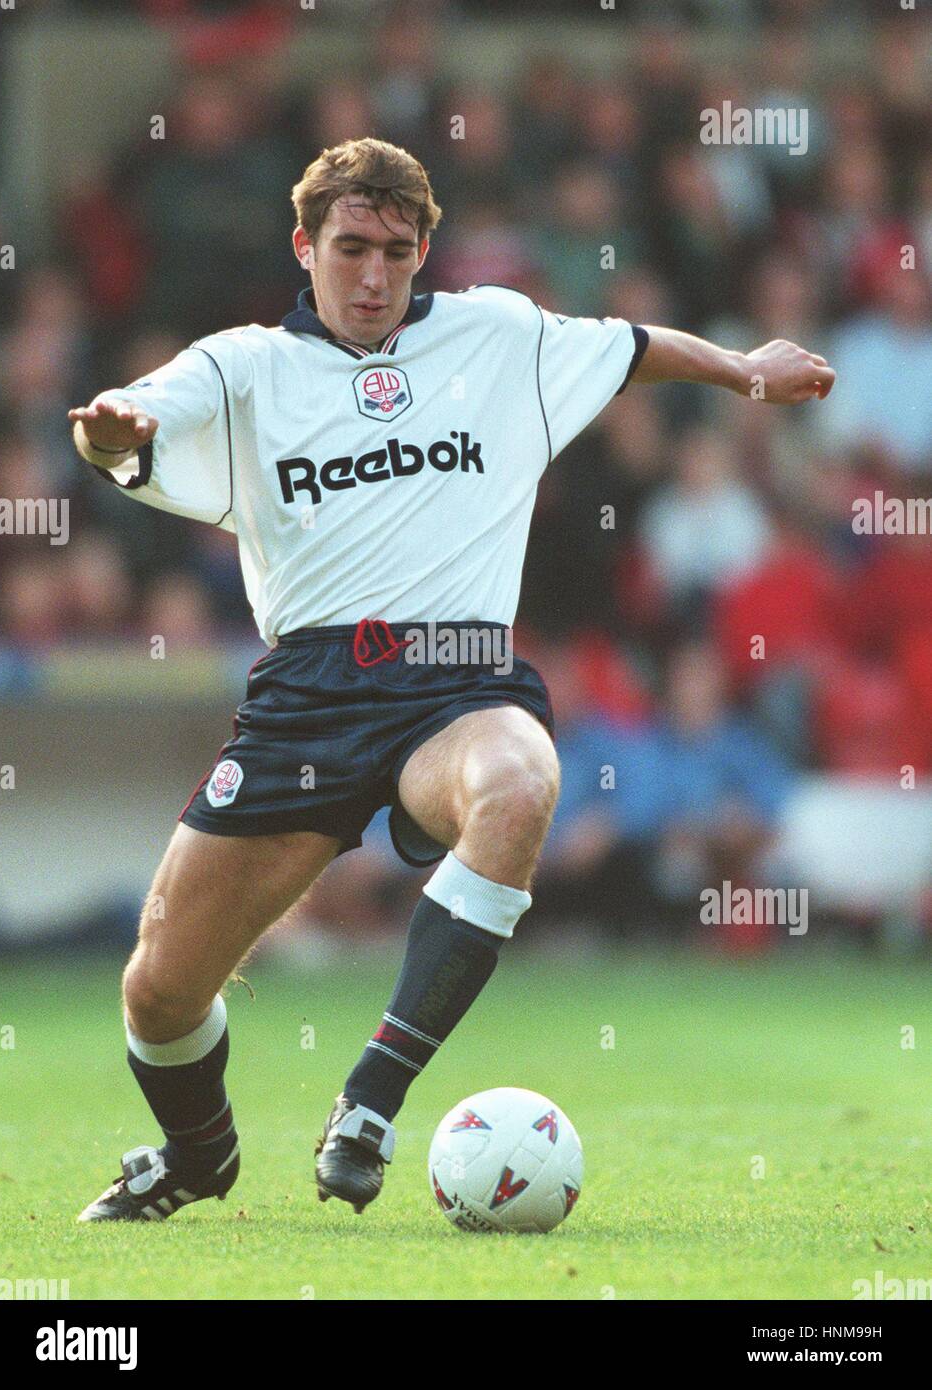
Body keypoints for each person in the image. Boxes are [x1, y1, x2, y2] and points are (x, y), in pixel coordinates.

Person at [68, 137, 834, 1222]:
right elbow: (132, 424)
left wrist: (741, 367)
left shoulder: (498, 334)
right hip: (307, 698)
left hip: (457, 678)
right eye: (348, 249)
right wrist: (110, 438)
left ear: (424, 250)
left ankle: (372, 1100)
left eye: (393, 250)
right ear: (305, 245)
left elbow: (627, 346)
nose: (371, 276)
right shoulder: (241, 366)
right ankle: (197, 1157)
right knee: (159, 989)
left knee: (520, 781)